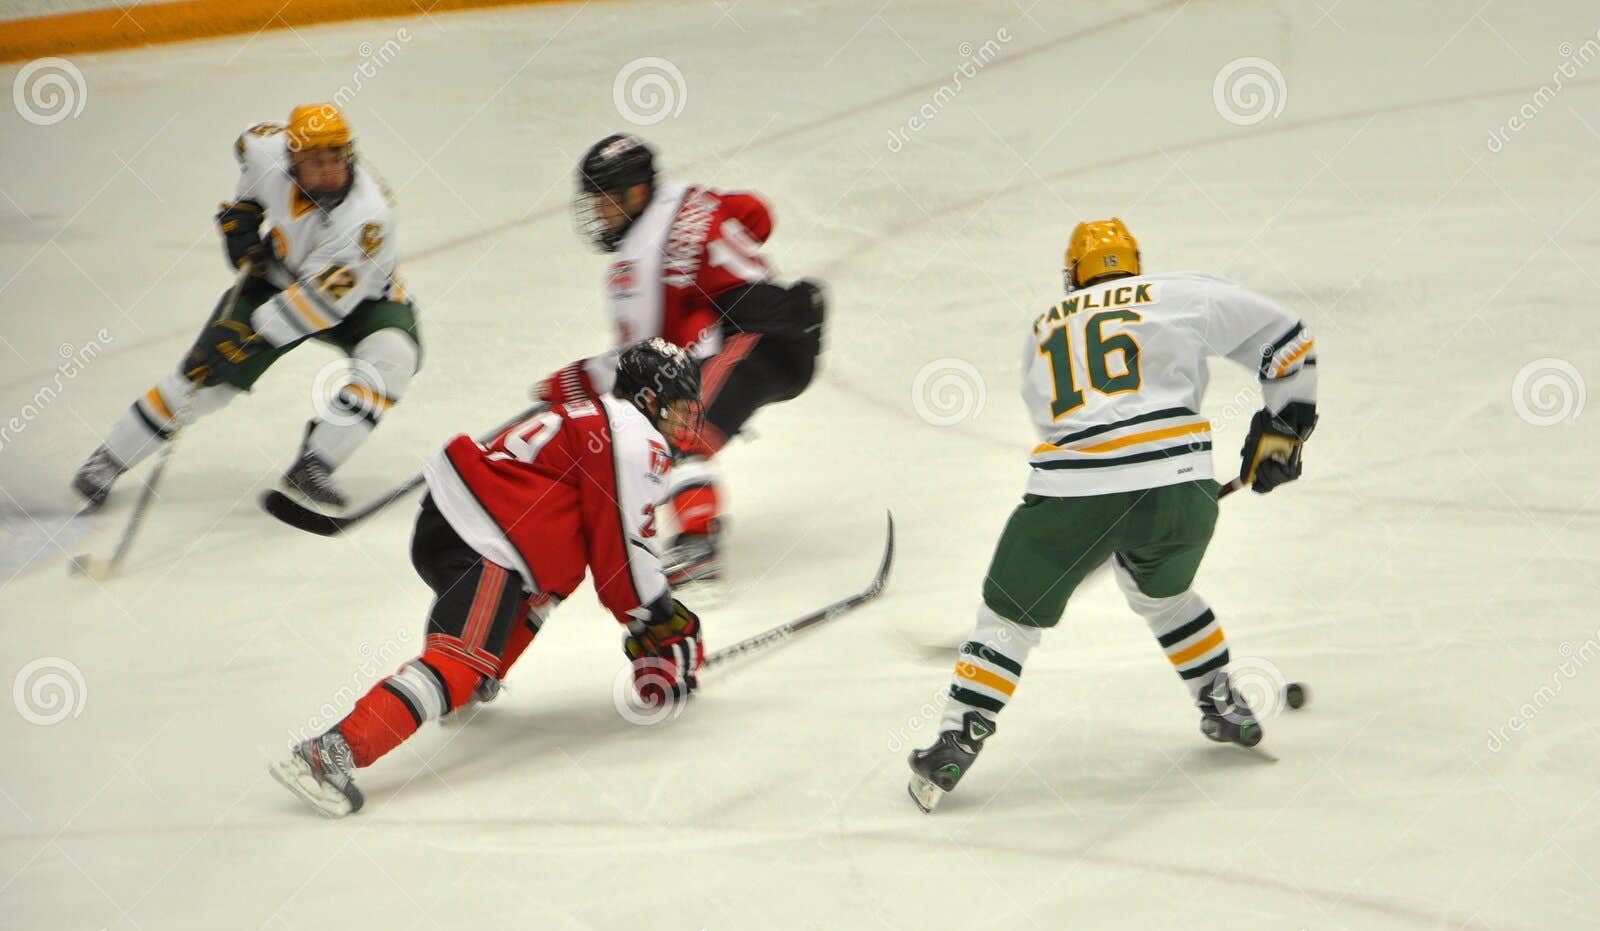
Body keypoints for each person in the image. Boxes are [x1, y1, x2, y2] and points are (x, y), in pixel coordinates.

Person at [905, 217, 1320, 812]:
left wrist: (1102, 512)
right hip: (1181, 493)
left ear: (1074, 276)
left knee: (1008, 618)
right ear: (1134, 266)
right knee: (1164, 596)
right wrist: (1284, 430)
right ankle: (1222, 700)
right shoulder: (1178, 292)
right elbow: (1288, 341)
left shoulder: (1046, 325)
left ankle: (957, 738)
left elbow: (1057, 420)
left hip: (1074, 494)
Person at [270, 338, 706, 817]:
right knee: (458, 664)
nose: (683, 424)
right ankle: (328, 754)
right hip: (488, 540)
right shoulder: (633, 435)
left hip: (459, 524)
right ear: (649, 399)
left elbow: (599, 554)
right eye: (678, 409)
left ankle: (477, 674)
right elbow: (626, 555)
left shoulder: (592, 415)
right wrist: (664, 620)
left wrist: (645, 620)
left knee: (551, 581)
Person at [71, 103, 420, 511]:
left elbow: (321, 306)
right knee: (203, 379)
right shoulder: (268, 150)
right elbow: (247, 143)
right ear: (292, 159)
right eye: (316, 160)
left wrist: (248, 338)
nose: (330, 169)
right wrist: (246, 210)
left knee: (394, 356)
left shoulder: (368, 217)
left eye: (337, 156)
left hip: (362, 301)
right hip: (276, 280)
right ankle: (109, 458)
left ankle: (315, 463)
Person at [535, 133, 826, 590]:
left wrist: (576, 381)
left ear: (636, 193)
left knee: (673, 428)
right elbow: (756, 214)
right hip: (783, 328)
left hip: (755, 340)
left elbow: (640, 361)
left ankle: (697, 547)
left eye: (604, 200)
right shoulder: (690, 196)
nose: (598, 213)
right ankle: (697, 518)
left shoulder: (636, 260)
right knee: (674, 415)